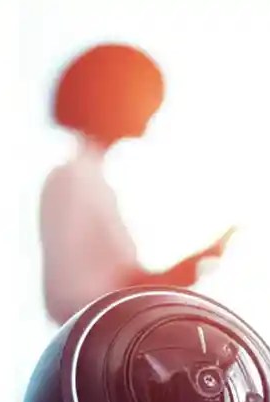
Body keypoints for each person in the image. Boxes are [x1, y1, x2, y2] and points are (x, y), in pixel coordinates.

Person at [39, 44, 229, 325]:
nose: (153, 111)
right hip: (98, 342)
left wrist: (177, 275)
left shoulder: (89, 177)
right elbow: (72, 296)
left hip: (110, 335)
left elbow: (116, 288)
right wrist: (168, 279)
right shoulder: (73, 179)